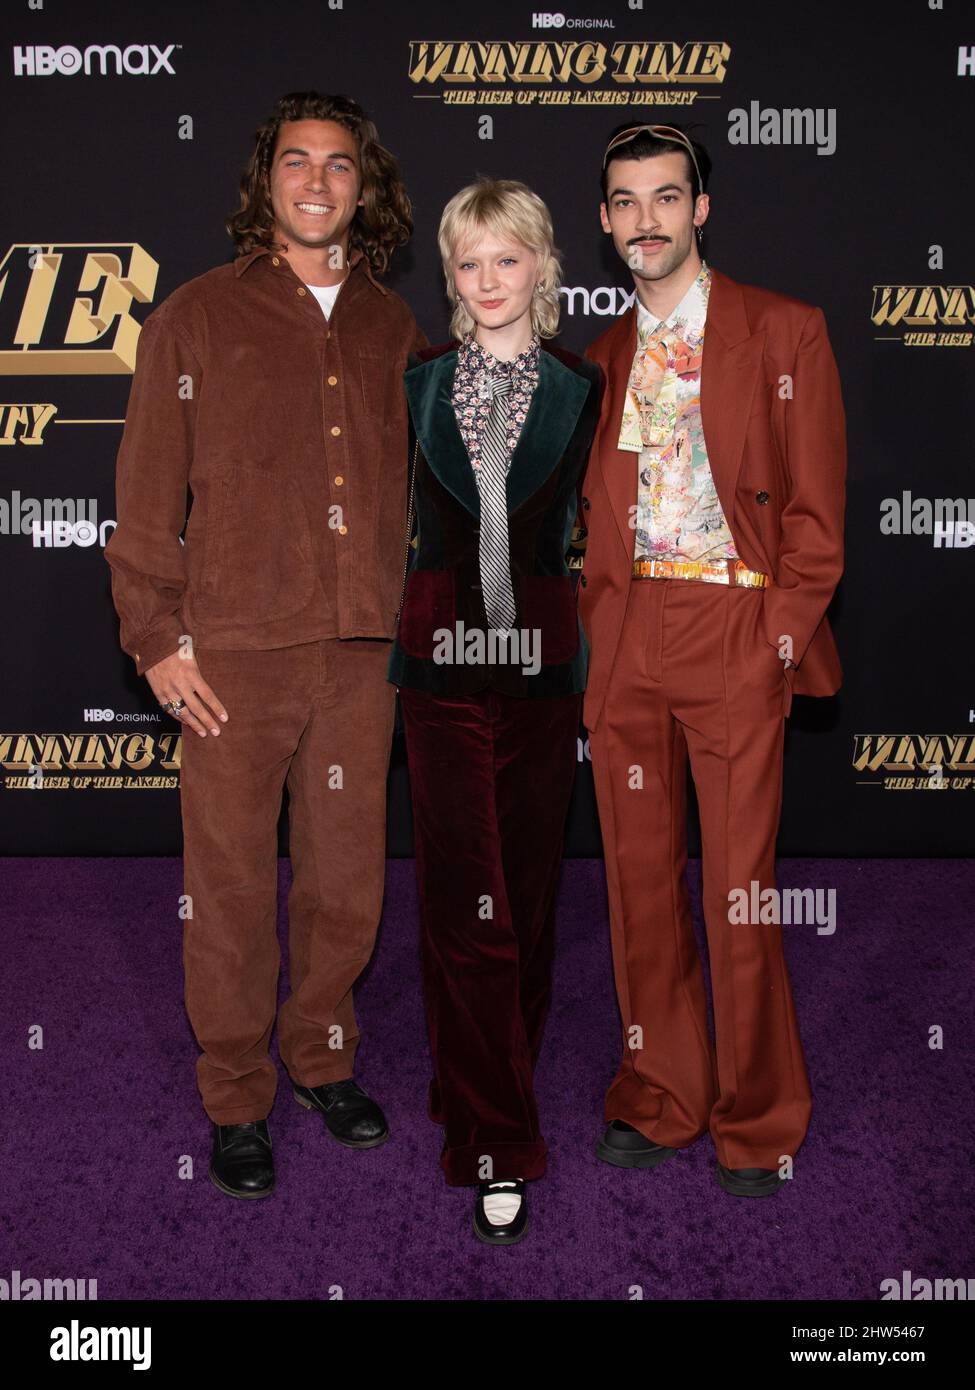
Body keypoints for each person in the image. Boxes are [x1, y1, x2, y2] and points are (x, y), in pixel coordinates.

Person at [105, 91, 427, 1200]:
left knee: (345, 883)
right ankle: (238, 1092)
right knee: (233, 885)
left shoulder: (397, 332)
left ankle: (323, 1056)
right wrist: (155, 638)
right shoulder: (192, 318)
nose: (318, 182)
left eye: (341, 166)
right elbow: (146, 502)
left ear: (363, 187)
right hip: (232, 655)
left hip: (360, 656)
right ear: (267, 181)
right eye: (298, 162)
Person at [579, 123, 846, 1196]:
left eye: (666, 196)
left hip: (735, 628)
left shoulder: (786, 332)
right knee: (639, 883)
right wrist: (597, 659)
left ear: (701, 208)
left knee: (740, 890)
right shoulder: (598, 361)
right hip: (629, 635)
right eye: (625, 201)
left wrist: (776, 637)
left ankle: (758, 1113)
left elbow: (816, 521)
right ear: (605, 223)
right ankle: (664, 1090)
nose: (646, 219)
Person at [389, 178, 603, 1243]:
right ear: (453, 275)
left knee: (522, 897)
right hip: (438, 669)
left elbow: (597, 532)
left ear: (542, 267)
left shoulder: (583, 385)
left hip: (539, 667)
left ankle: (476, 1071)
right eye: (468, 263)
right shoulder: (416, 380)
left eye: (506, 259)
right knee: (462, 897)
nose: (487, 281)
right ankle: (496, 1139)